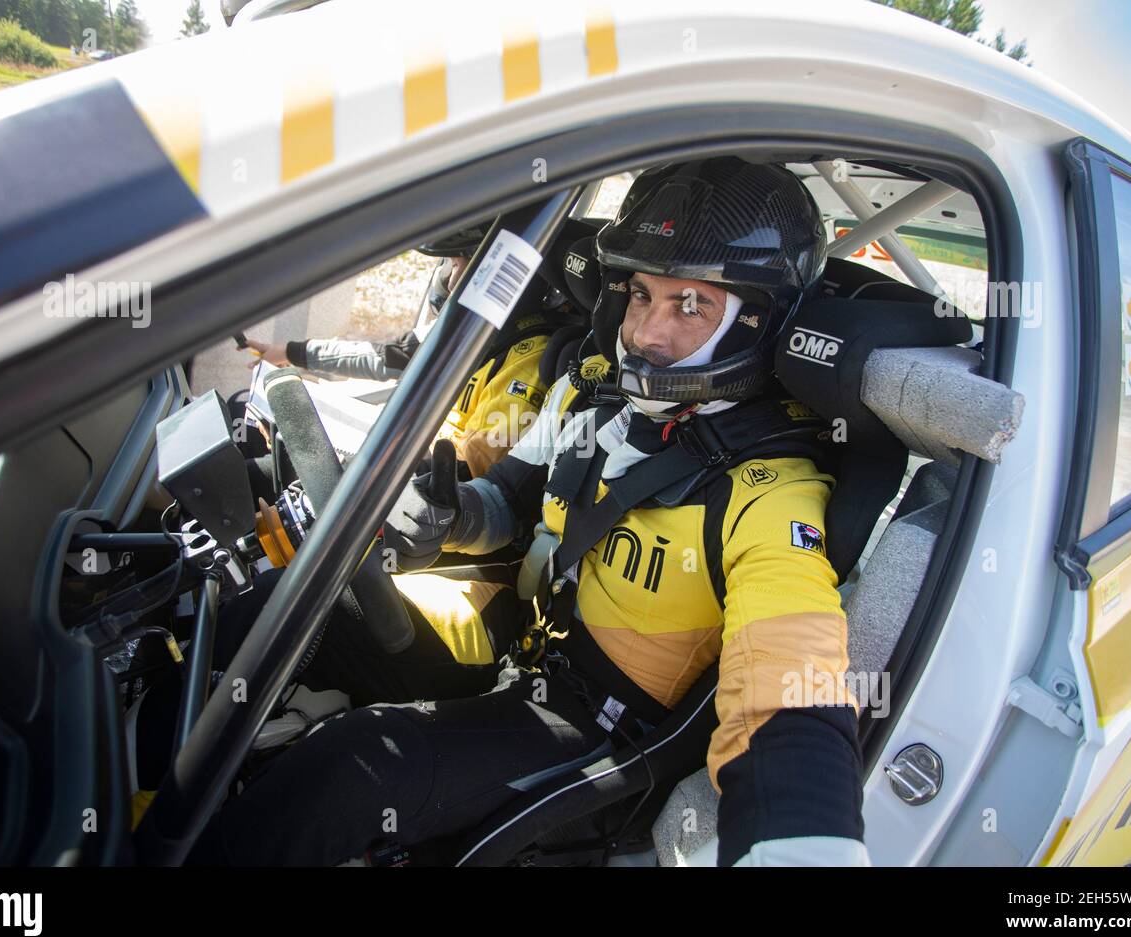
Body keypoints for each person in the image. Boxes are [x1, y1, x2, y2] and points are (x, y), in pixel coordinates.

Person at [191, 157, 867, 867]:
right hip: (521, 654)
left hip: (592, 735)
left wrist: (801, 844)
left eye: (690, 304)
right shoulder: (592, 392)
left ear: (757, 320)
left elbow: (791, 683)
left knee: (355, 764)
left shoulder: (770, 488)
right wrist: (450, 520)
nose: (646, 334)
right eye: (641, 294)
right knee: (280, 604)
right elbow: (507, 500)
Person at [240, 223, 586, 478]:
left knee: (269, 471)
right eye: (448, 267)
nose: (449, 282)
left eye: (456, 265)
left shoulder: (528, 358)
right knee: (249, 429)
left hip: (423, 492)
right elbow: (385, 356)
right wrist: (288, 352)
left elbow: (476, 462)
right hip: (404, 457)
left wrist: (366, 464)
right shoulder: (468, 338)